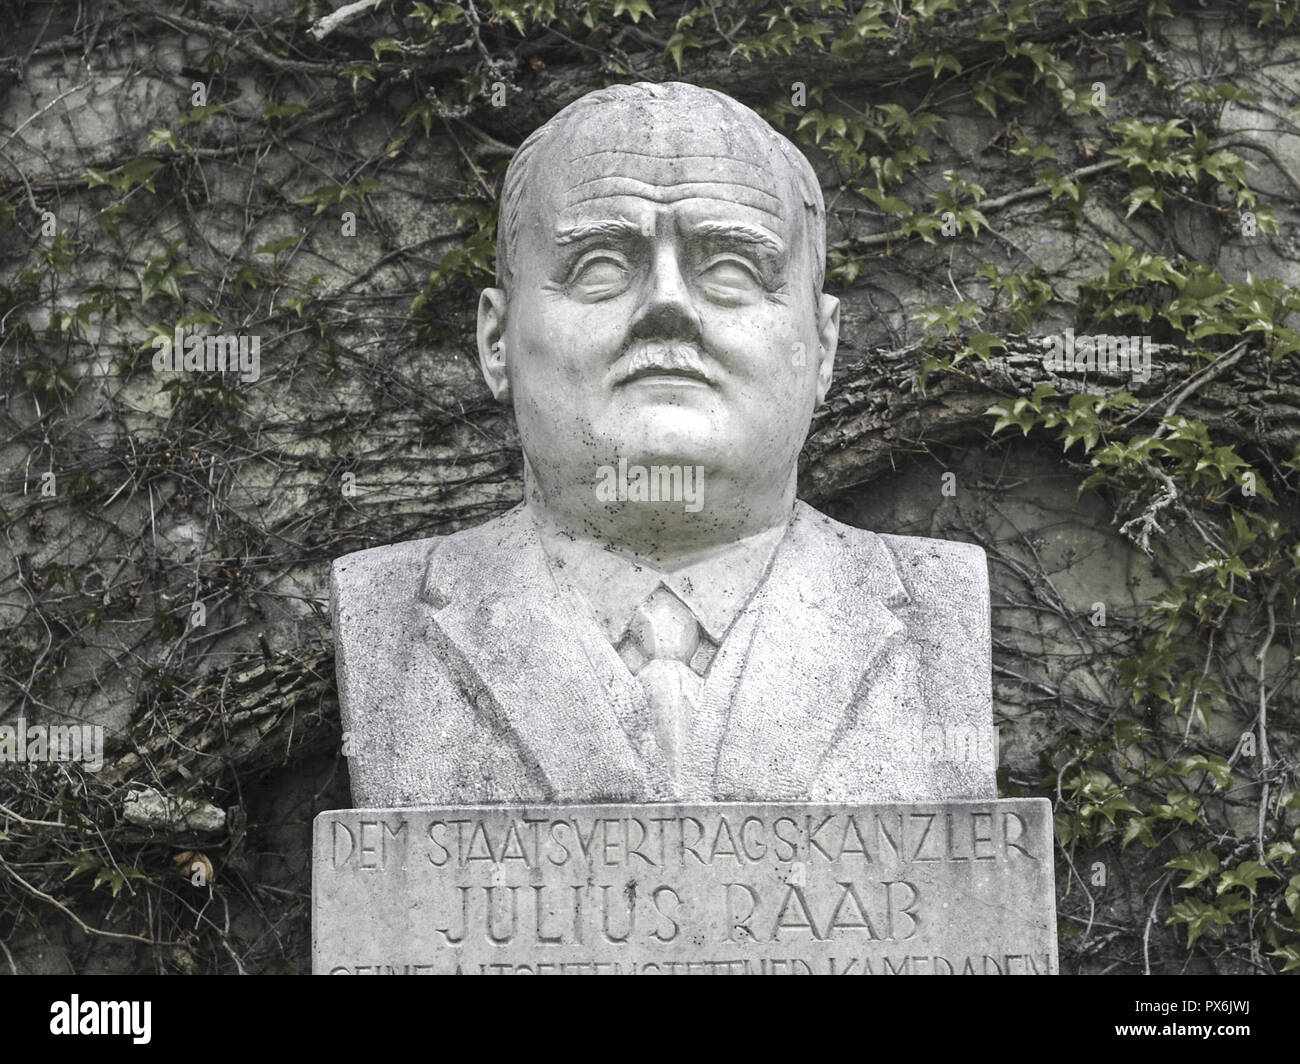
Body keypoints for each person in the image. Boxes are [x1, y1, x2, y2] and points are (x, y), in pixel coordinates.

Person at [332, 82, 996, 806]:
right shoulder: (386, 615)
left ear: (824, 350)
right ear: (497, 342)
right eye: (601, 267)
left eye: (733, 270)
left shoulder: (938, 611)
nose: (668, 306)